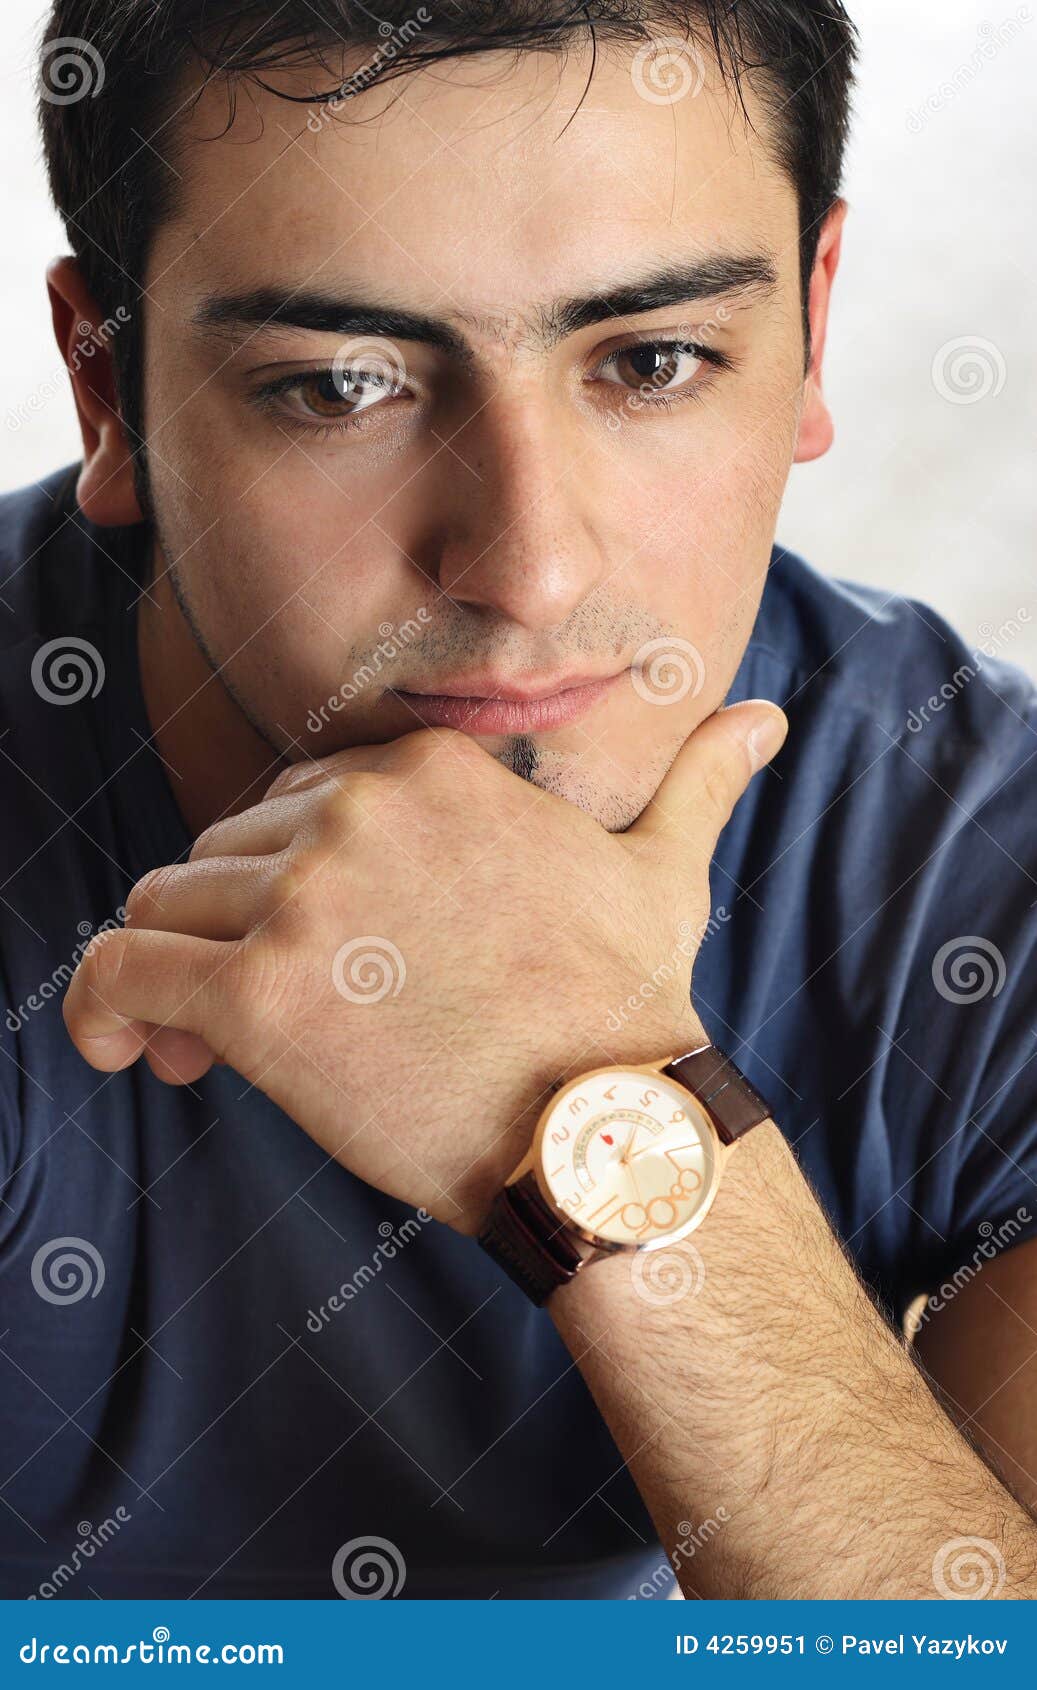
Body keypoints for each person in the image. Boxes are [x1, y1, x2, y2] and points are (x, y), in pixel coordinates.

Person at [1, 0, 1035, 1600]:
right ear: (109, 386)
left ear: (814, 330)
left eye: (654, 359)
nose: (529, 567)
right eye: (338, 385)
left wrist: (594, 1106)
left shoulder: (979, 868)